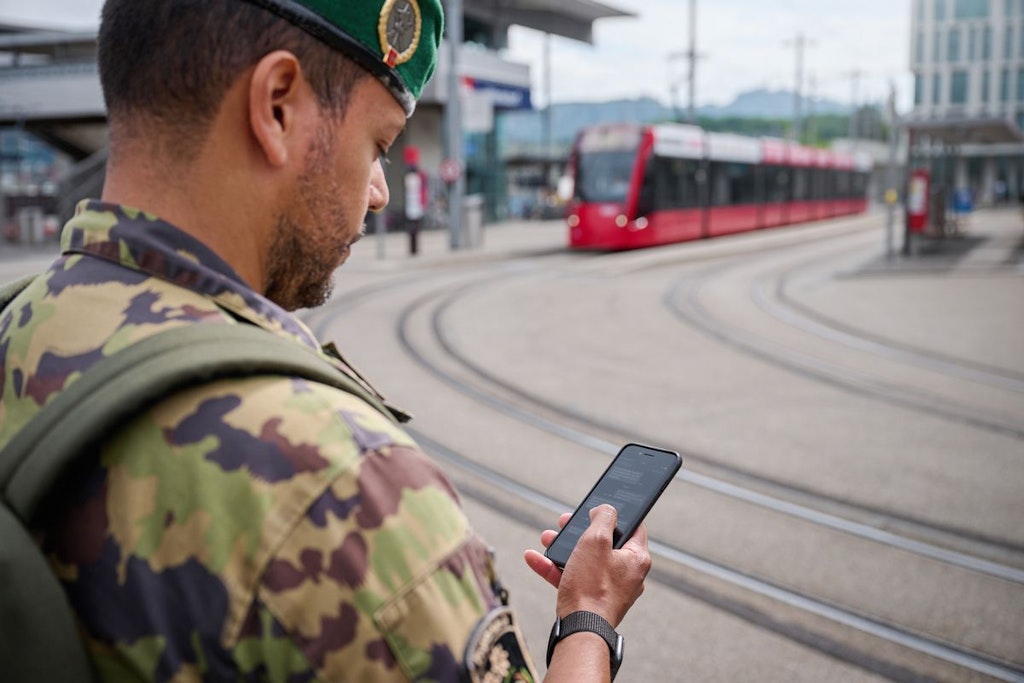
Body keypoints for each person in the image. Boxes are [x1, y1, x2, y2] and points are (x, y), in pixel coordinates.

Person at [0, 1, 651, 681]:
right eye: (378, 145)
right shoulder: (341, 490)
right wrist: (588, 616)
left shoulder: (22, 322)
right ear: (277, 106)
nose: (378, 192)